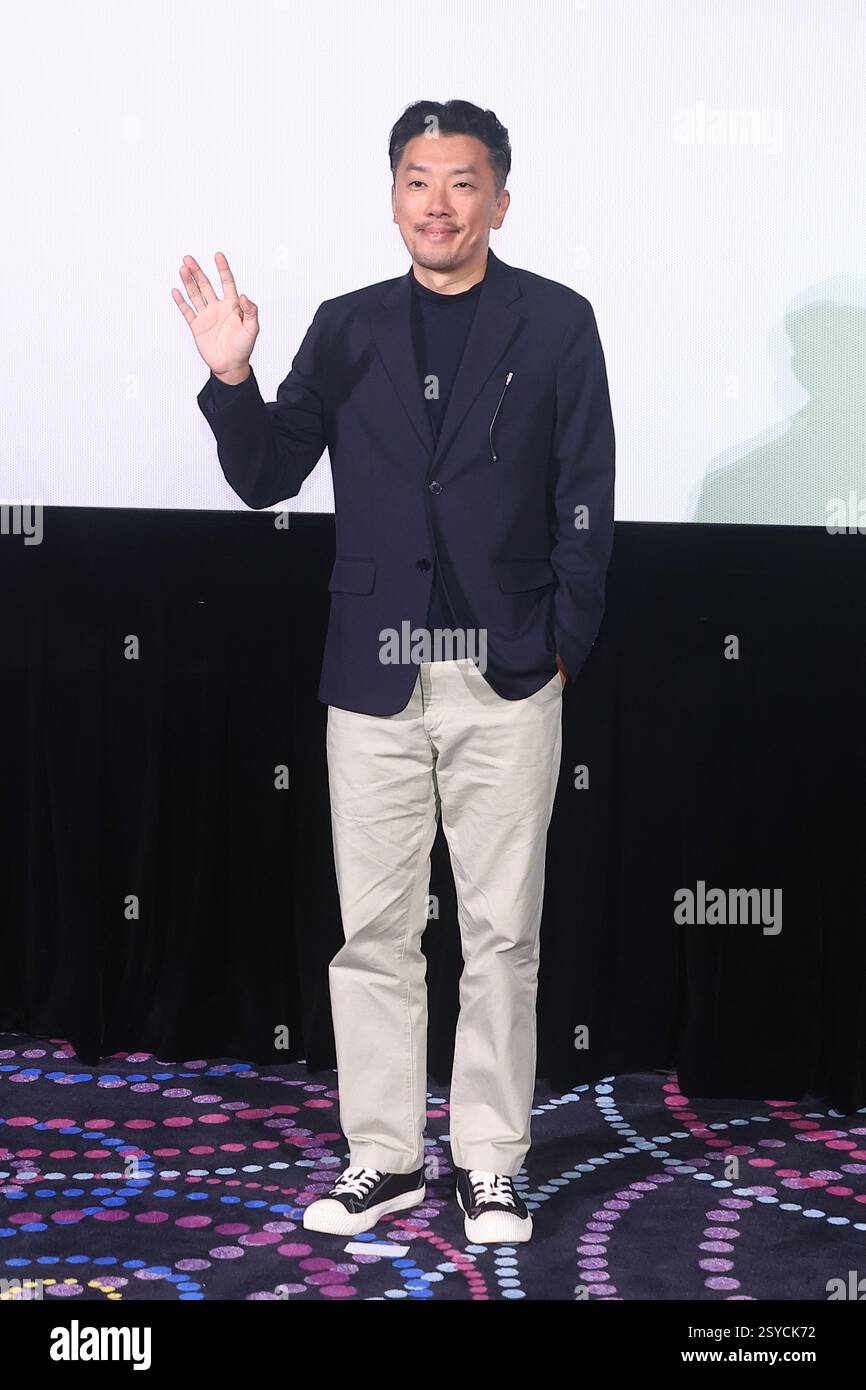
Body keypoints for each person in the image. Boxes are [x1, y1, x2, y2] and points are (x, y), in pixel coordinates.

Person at [173, 99, 615, 1245]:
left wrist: (562, 638)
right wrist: (233, 377)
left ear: (498, 200)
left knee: (498, 935)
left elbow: (585, 494)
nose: (437, 202)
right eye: (417, 180)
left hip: (507, 671)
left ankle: (490, 1165)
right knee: (371, 934)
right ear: (393, 196)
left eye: (461, 182)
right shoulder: (345, 326)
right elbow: (267, 473)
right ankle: (384, 1158)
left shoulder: (557, 323)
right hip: (370, 675)